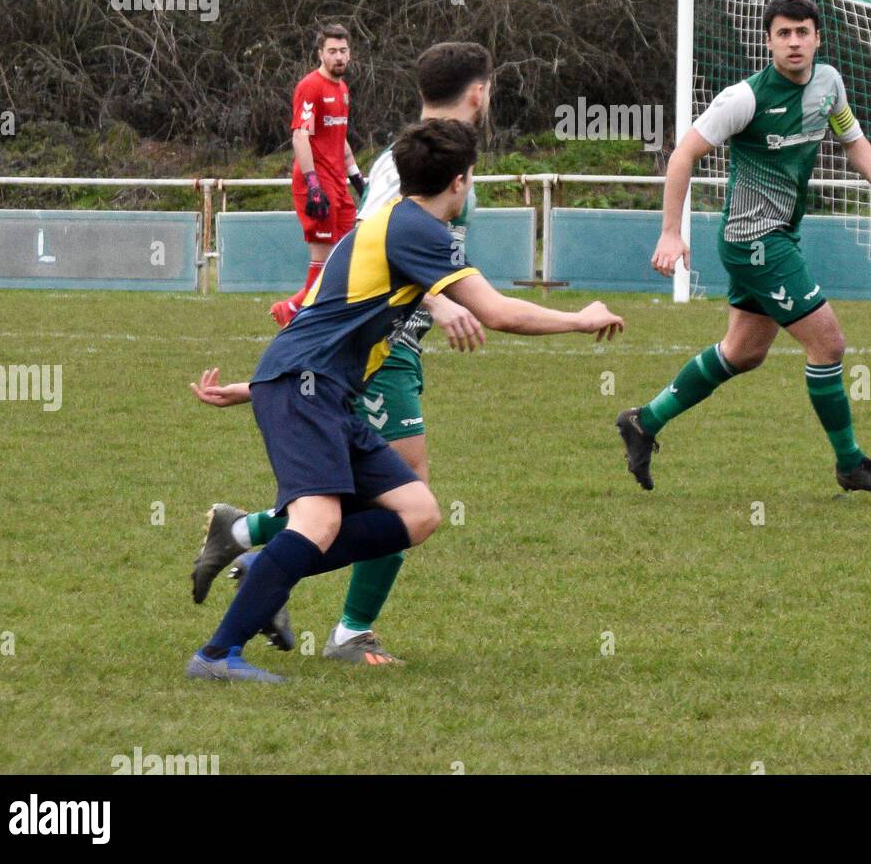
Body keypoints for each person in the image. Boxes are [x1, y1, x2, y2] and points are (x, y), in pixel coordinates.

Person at [187, 118, 623, 682]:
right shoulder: (417, 229)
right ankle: (218, 655)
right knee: (317, 522)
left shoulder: (389, 223)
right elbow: (496, 311)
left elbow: (326, 317)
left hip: (317, 389)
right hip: (306, 388)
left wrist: (258, 387)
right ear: (462, 182)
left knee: (418, 513)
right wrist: (579, 319)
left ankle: (266, 562)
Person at [190, 42, 493, 666]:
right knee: (338, 513)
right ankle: (329, 625)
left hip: (351, 361)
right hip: (378, 353)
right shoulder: (411, 180)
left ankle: (253, 545)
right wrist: (439, 301)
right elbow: (373, 250)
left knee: (412, 505)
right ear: (480, 92)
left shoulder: (425, 156)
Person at [616, 0, 871, 496]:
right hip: (753, 240)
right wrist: (670, 230)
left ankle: (644, 421)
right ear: (769, 40)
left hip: (781, 233)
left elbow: (850, 136)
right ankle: (850, 464)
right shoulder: (744, 99)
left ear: (818, 37)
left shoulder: (829, 84)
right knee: (829, 343)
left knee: (744, 351)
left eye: (802, 32)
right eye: (783, 33)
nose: (794, 42)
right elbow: (683, 155)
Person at [269, 23, 365, 327]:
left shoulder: (343, 89)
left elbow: (340, 136)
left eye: (343, 51)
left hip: (337, 183)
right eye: (332, 51)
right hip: (317, 183)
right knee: (323, 258)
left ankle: (292, 310)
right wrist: (312, 184)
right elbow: (300, 136)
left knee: (345, 255)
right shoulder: (310, 86)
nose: (339, 56)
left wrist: (357, 178)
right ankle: (307, 320)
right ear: (320, 54)